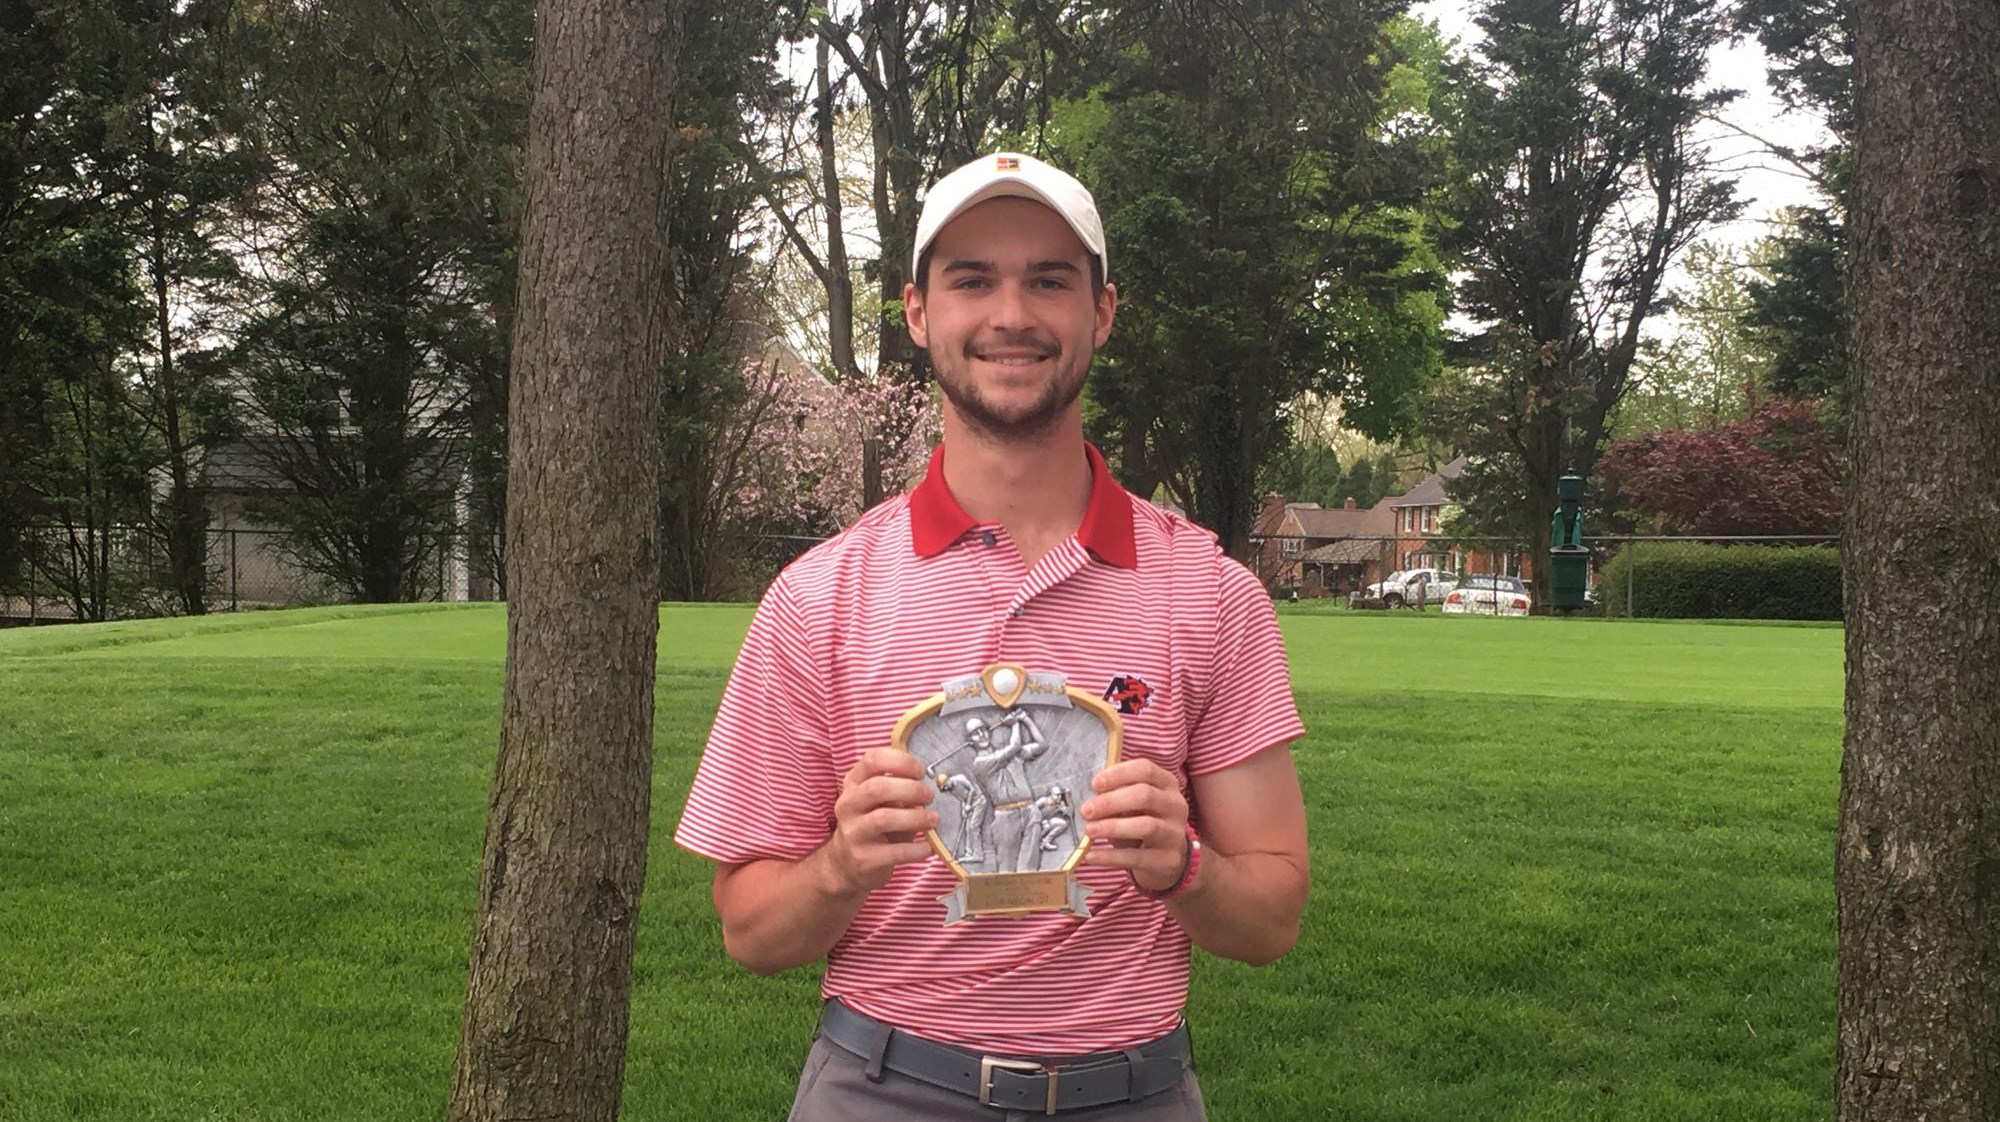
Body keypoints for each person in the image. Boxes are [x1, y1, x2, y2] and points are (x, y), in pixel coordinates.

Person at [675, 151, 1309, 1120]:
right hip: (882, 1088)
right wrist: (840, 864)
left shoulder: (1209, 591)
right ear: (919, 312)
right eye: (972, 279)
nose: (1010, 314)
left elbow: (1269, 919)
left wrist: (1182, 864)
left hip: (1131, 1093)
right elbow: (751, 935)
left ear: (1100, 312)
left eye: (1048, 280)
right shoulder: (817, 598)